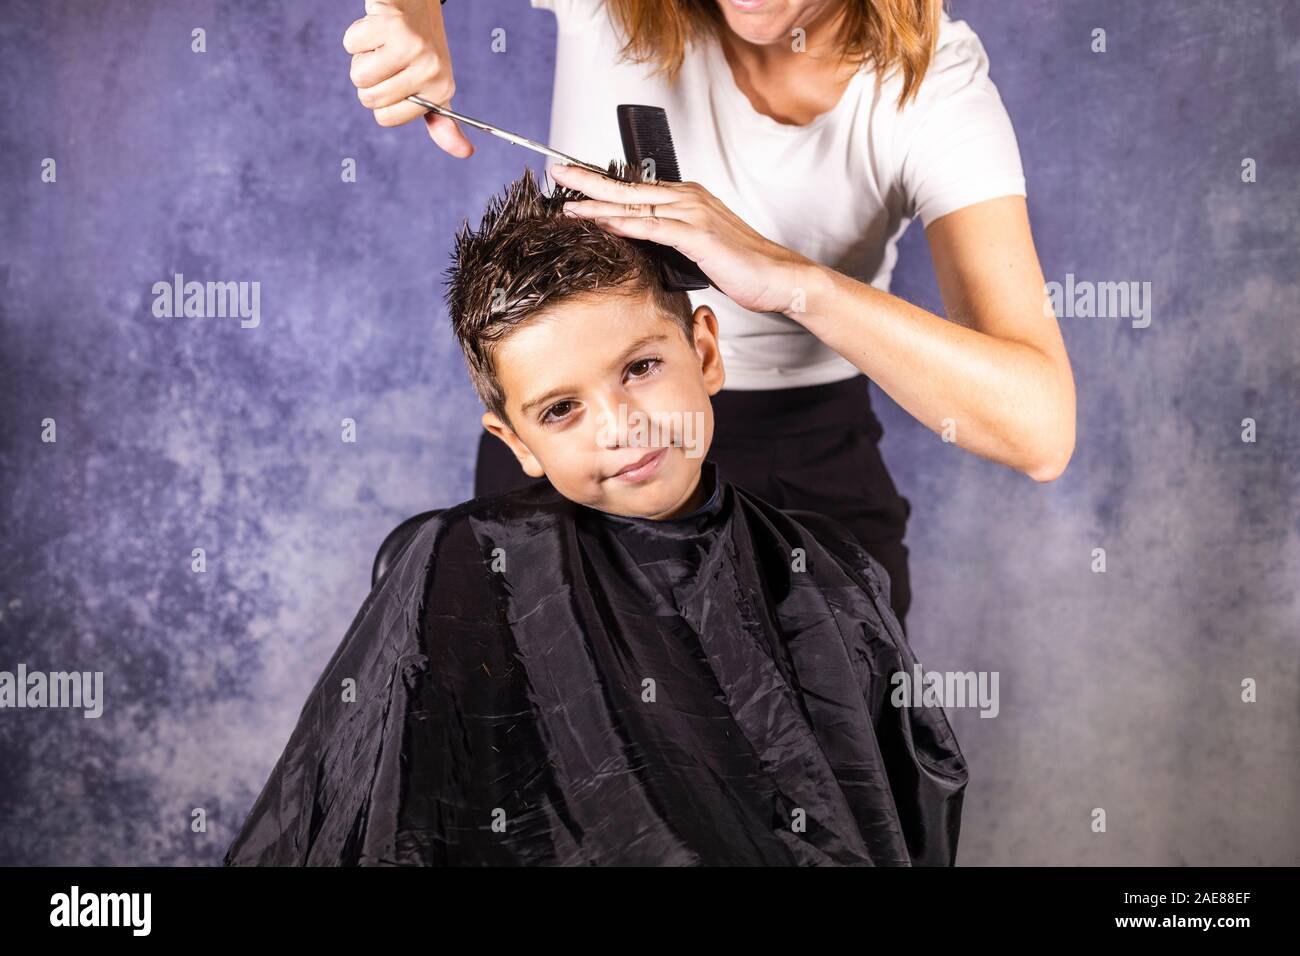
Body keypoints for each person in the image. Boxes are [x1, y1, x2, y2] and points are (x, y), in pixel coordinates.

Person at [222, 164, 968, 866]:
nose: (619, 427)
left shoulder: (829, 576)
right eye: (562, 409)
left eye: (641, 368)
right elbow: (383, 818)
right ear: (518, 444)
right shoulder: (461, 571)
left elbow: (892, 811)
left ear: (706, 352)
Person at [344, 0, 1076, 632]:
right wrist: (409, 14)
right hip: (576, 444)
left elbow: (1040, 431)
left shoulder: (931, 83)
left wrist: (793, 283)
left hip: (802, 447)